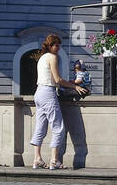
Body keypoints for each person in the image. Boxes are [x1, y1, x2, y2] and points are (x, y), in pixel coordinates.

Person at [30, 34, 88, 169]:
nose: (58, 48)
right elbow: (57, 80)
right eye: (56, 45)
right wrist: (74, 86)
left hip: (38, 93)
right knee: (58, 127)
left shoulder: (42, 58)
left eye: (59, 45)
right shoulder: (53, 57)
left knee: (40, 127)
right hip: (48, 93)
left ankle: (37, 159)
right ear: (50, 46)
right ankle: (54, 160)